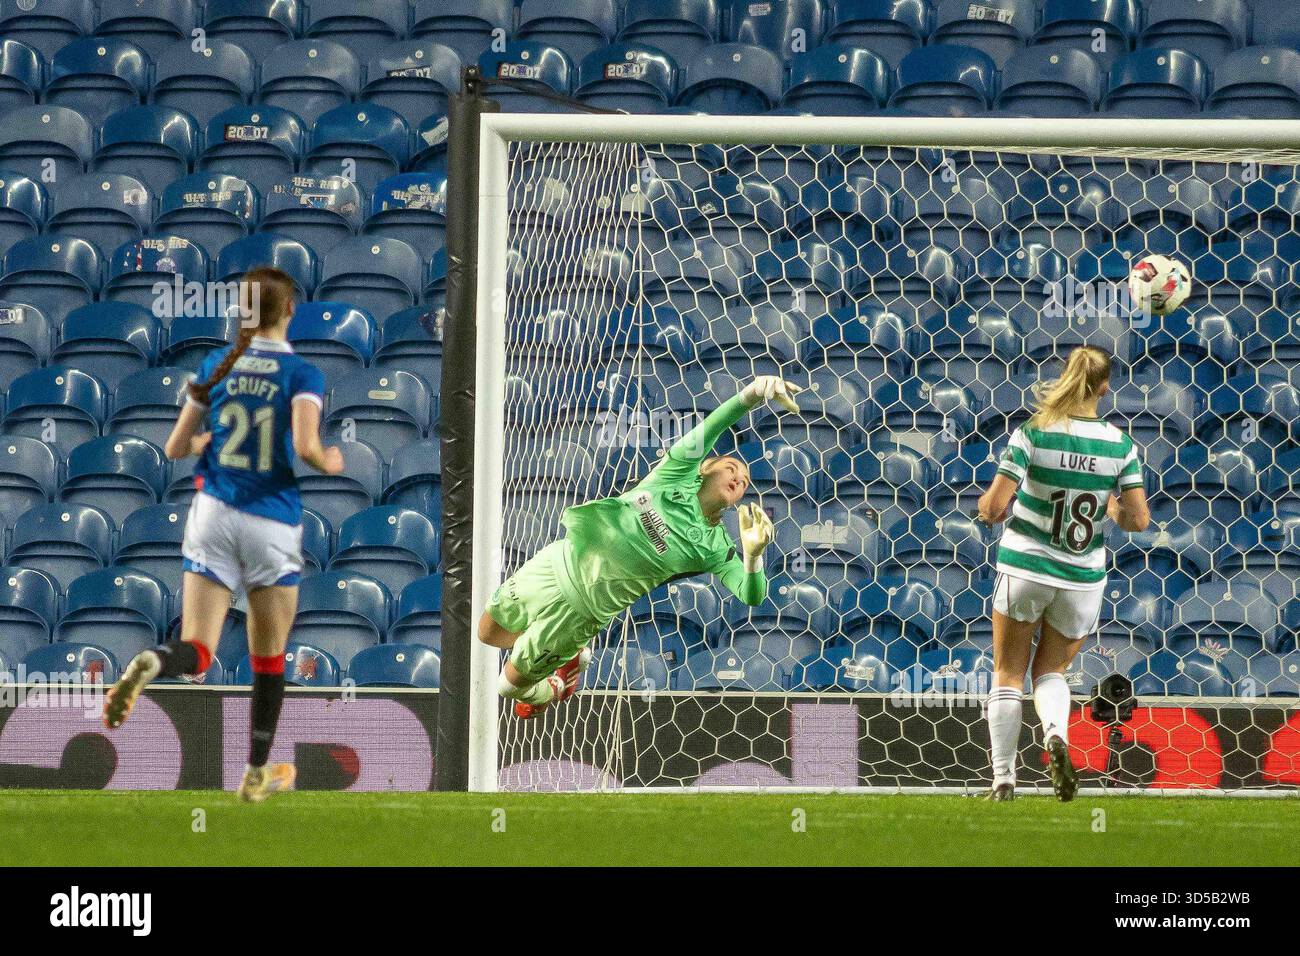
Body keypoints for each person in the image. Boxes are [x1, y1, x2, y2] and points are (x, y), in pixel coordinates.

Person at [102, 267, 344, 803]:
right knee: (269, 656)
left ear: (244, 314)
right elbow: (305, 445)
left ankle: (155, 661)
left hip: (211, 512)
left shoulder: (216, 365)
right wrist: (327, 459)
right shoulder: (303, 374)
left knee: (198, 648)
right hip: (270, 519)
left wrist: (208, 440)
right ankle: (256, 772)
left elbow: (173, 448)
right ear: (289, 312)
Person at [478, 376, 803, 717]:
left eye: (745, 483)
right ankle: (565, 655)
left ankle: (554, 687)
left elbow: (752, 595)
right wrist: (752, 393)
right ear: (706, 467)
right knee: (488, 632)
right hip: (557, 561)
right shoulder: (674, 473)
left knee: (509, 686)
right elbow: (713, 425)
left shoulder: (715, 547)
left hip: (581, 610)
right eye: (731, 468)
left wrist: (753, 557)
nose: (739, 479)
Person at [976, 345, 1150, 802]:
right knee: (1051, 670)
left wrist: (1002, 507)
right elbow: (1138, 521)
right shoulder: (1120, 444)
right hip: (1082, 576)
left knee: (1007, 673)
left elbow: (993, 508)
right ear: (1105, 386)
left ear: (1066, 376)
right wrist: (1108, 505)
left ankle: (1003, 780)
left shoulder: (1034, 432)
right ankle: (1056, 736)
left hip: (1026, 565)